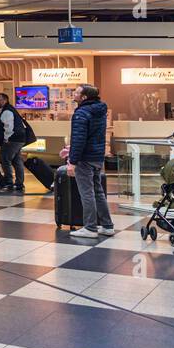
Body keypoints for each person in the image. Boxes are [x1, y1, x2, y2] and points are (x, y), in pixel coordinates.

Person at [66, 84, 114, 239]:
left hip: (85, 159)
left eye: (77, 92)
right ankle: (107, 226)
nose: (74, 93)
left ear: (84, 97)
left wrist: (72, 161)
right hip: (97, 156)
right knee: (98, 192)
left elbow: (79, 139)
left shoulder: (82, 113)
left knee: (87, 193)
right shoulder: (100, 111)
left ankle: (90, 228)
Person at [0, 92, 29, 192]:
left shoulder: (6, 111)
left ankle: (9, 183)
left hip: (12, 140)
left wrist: (6, 139)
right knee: (17, 161)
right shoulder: (10, 109)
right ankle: (19, 184)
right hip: (20, 139)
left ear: (5, 100)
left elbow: (9, 127)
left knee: (5, 160)